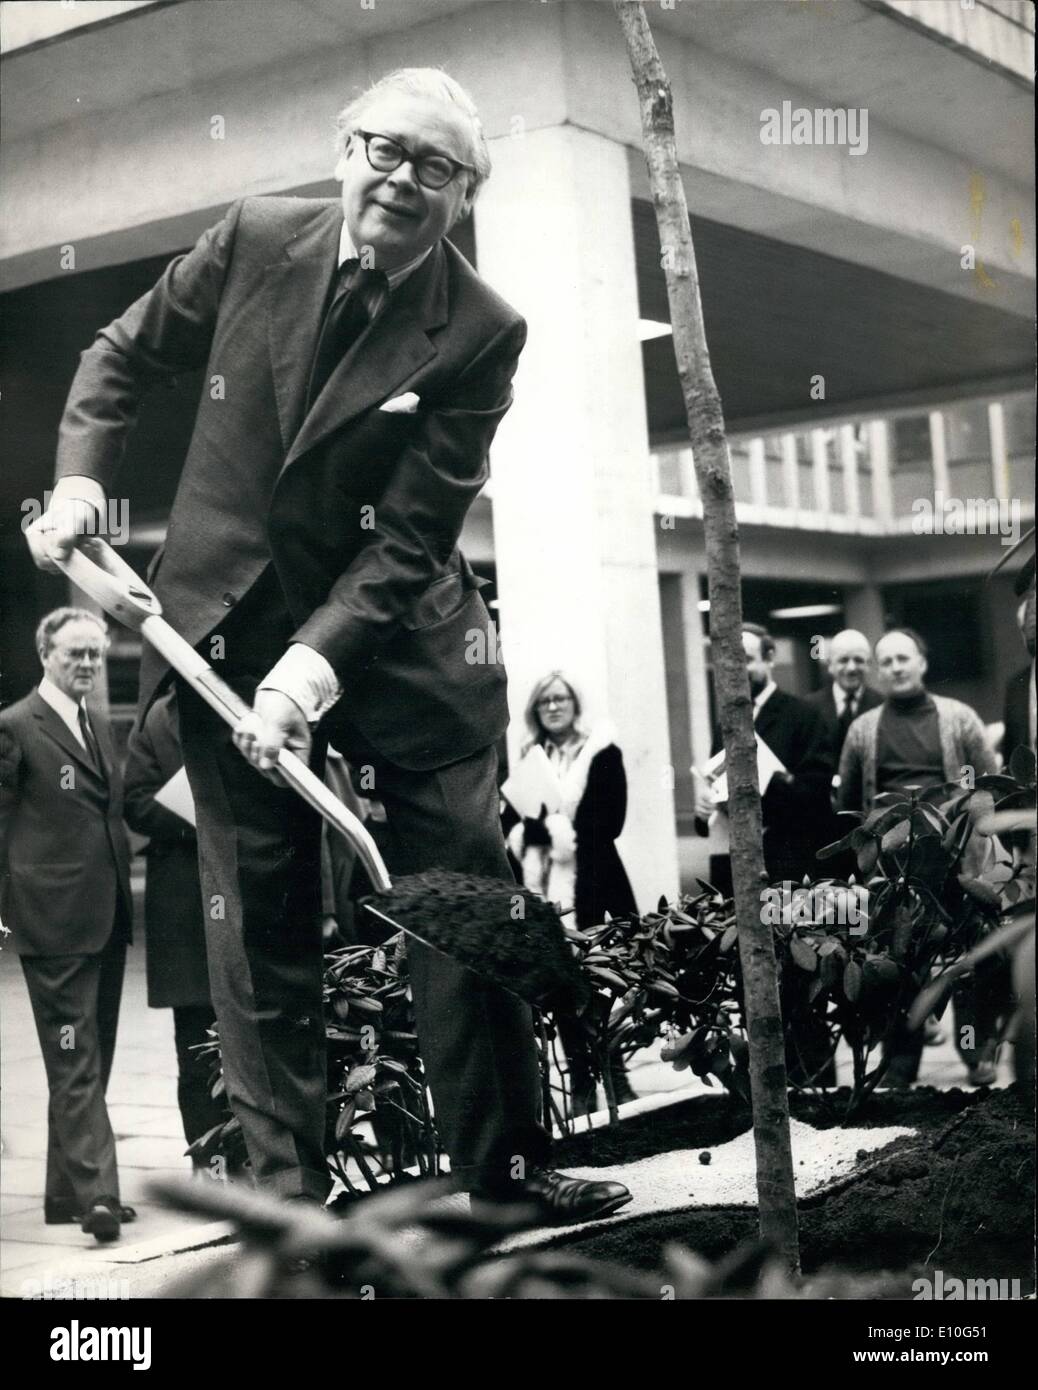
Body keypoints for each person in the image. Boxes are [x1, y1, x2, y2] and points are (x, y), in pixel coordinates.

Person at [27, 69, 629, 1226]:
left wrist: (309, 671)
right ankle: (297, 1208)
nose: (404, 181)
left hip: (400, 648)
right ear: (343, 149)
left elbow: (407, 538)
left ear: (467, 195)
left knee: (464, 898)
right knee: (257, 925)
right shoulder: (255, 238)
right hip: (220, 627)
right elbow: (121, 354)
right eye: (386, 150)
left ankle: (503, 1176)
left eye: (438, 168)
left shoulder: (484, 331)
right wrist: (82, 478)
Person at [0, 609, 133, 1241]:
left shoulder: (97, 725)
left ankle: (65, 1192)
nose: (87, 664)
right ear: (45, 654)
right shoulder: (14, 727)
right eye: (75, 654)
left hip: (102, 918)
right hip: (51, 921)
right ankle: (99, 1195)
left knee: (87, 1058)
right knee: (74, 1057)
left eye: (95, 655)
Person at [838, 627, 1005, 1085]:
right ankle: (900, 1062)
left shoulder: (960, 719)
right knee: (898, 966)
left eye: (903, 659)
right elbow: (851, 803)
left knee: (967, 961)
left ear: (922, 663)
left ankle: (975, 1055)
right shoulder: (862, 730)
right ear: (879, 670)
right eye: (886, 661)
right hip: (894, 873)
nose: (895, 668)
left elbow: (988, 785)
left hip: (957, 863)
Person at [502, 672, 638, 1116]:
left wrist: (553, 828)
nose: (554, 707)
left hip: (595, 881)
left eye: (561, 699)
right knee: (561, 985)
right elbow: (509, 819)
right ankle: (581, 1080)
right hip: (546, 889)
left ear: (575, 704)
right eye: (545, 702)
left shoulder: (602, 750)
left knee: (601, 979)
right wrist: (536, 831)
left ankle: (614, 1074)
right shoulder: (530, 756)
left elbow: (610, 821)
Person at [122, 688, 227, 1164]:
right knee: (195, 1050)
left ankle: (258, 1162)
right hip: (182, 911)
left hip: (238, 892)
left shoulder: (234, 699)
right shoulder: (154, 722)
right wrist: (199, 812)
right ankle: (210, 1165)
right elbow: (137, 803)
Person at [804, 629, 883, 766]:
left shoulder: (882, 705)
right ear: (830, 665)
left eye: (859, 660)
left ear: (868, 665)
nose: (851, 668)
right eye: (843, 660)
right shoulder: (808, 708)